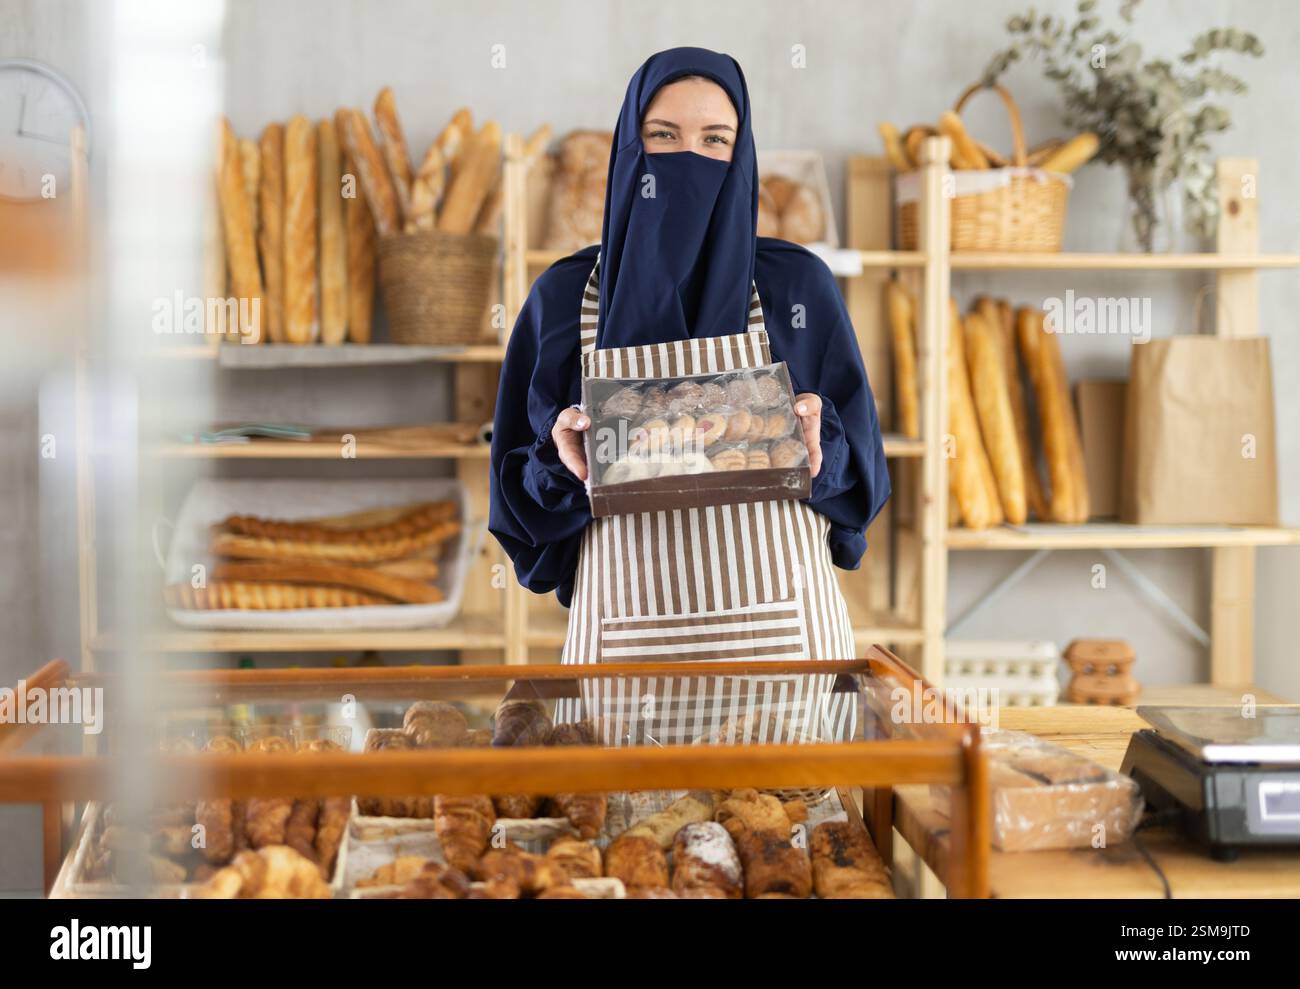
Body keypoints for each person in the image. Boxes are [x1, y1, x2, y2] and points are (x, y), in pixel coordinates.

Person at [490, 47, 889, 743]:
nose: (687, 161)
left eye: (715, 141)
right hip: (623, 666)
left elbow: (864, 485)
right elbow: (520, 509)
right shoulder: (562, 298)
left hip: (782, 673)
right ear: (628, 145)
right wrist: (562, 464)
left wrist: (822, 451)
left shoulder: (799, 288)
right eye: (663, 136)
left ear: (742, 158)